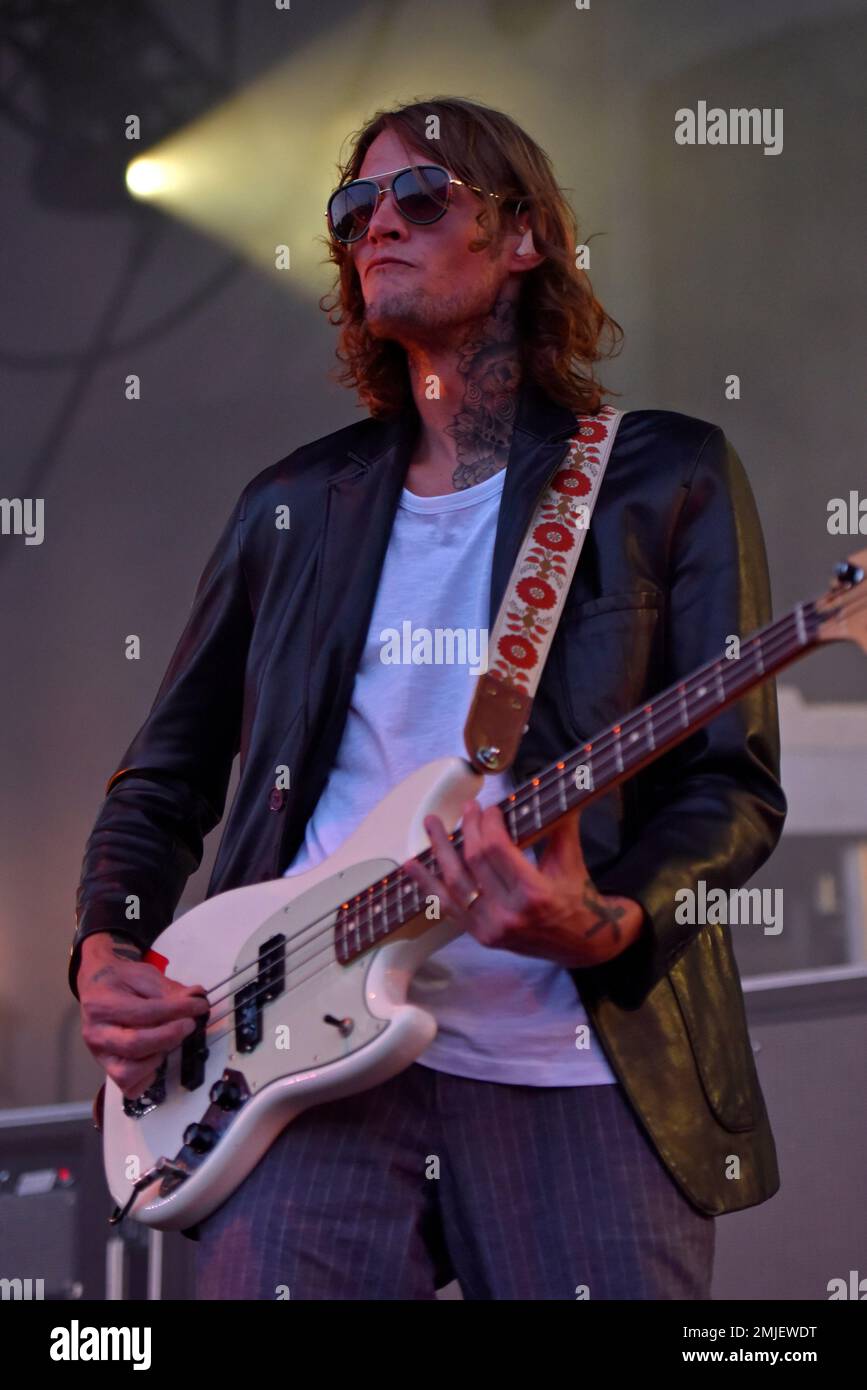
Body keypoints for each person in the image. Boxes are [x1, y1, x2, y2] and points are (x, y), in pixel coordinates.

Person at [70, 96, 786, 1300]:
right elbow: (167, 773)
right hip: (295, 1076)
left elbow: (728, 786)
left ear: (523, 237)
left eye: (422, 197)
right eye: (356, 209)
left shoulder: (665, 474)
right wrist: (106, 943)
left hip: (578, 1073)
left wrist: (605, 921)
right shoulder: (292, 504)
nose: (377, 226)